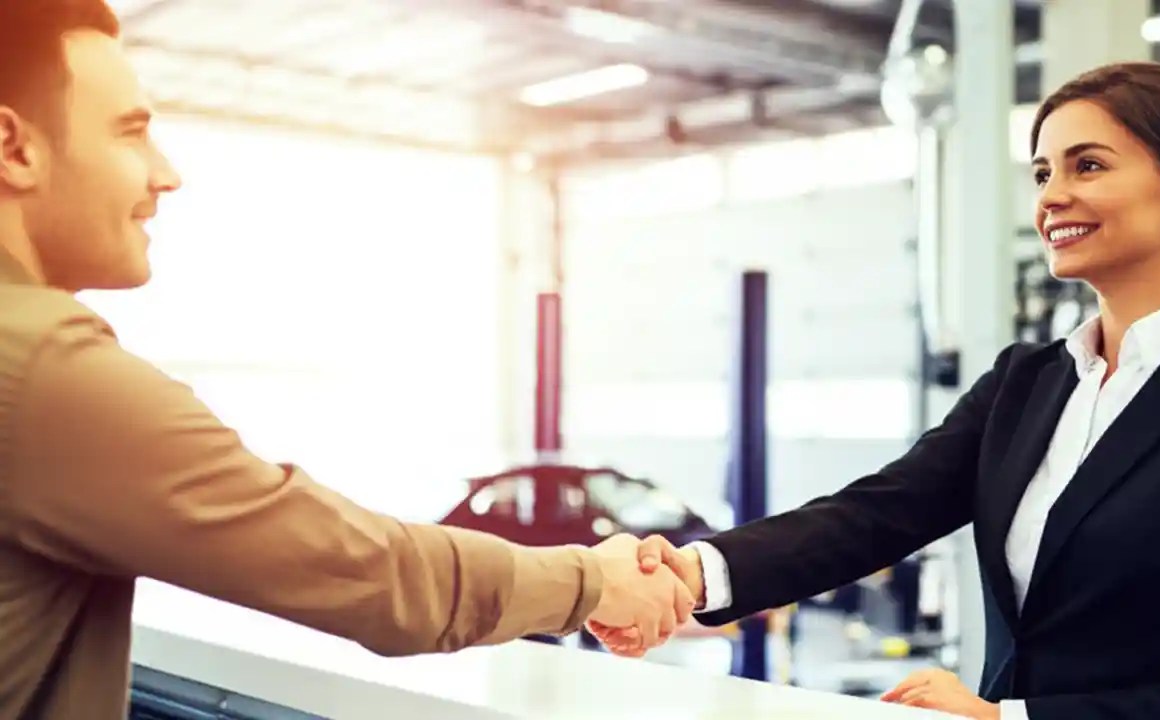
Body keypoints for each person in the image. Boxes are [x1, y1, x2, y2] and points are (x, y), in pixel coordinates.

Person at [0, 3, 693, 717]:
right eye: (131, 133)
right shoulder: (45, 373)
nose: (165, 174)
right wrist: (593, 581)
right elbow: (374, 578)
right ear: (13, 147)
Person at [595, 61, 1160, 719]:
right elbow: (877, 514)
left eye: (1088, 165)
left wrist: (1011, 718)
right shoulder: (1028, 382)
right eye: (1042, 171)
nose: (1050, 196)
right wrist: (693, 573)